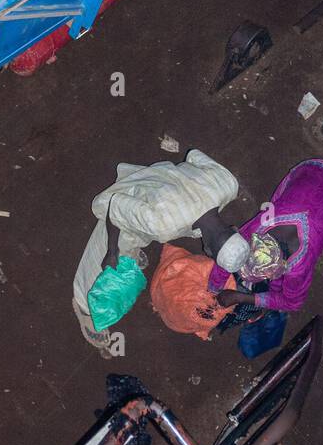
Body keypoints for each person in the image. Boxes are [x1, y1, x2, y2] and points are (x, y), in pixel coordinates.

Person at [72, 149, 250, 349]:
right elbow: (114, 208)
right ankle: (84, 306)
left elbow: (194, 156)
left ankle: (128, 250)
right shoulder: (164, 225)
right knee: (103, 261)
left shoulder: (227, 184)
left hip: (160, 180)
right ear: (208, 250)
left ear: (234, 230)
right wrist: (112, 252)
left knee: (139, 236)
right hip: (129, 199)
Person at [210, 158, 323, 315]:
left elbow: (292, 303)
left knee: (282, 290)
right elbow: (232, 253)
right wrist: (213, 287)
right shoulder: (261, 225)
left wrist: (243, 297)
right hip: (315, 172)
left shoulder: (300, 265)